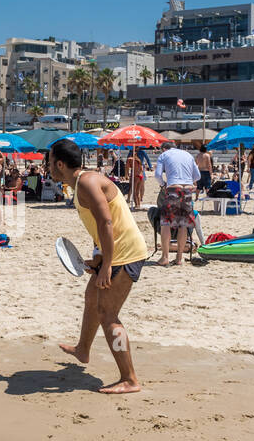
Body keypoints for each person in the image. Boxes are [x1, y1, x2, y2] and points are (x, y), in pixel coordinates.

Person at [48, 138, 149, 395]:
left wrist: (108, 265)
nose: (47, 166)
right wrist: (100, 258)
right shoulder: (80, 183)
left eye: (49, 161)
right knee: (91, 296)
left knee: (107, 314)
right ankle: (83, 350)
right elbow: (102, 226)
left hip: (126, 255)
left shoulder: (88, 182)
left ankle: (130, 379)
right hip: (114, 253)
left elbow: (106, 223)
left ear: (60, 163)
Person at [153, 142, 201, 264]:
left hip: (173, 188)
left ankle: (165, 257)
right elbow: (197, 176)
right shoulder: (188, 155)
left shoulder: (164, 155)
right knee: (183, 225)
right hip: (188, 190)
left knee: (166, 223)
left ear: (164, 149)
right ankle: (179, 258)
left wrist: (164, 184)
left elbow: (158, 175)